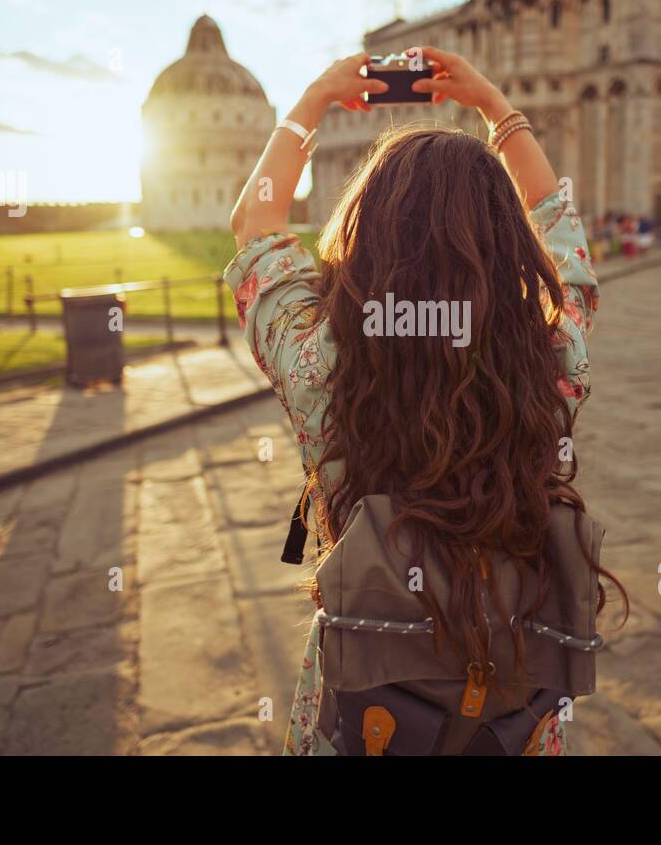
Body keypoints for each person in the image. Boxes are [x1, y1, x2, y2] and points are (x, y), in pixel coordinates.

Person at [224, 47, 626, 756]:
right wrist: (498, 111)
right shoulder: (553, 354)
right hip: (512, 714)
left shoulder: (319, 360)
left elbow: (252, 230)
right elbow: (567, 247)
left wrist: (313, 100)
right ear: (508, 246)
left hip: (368, 708)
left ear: (368, 235)